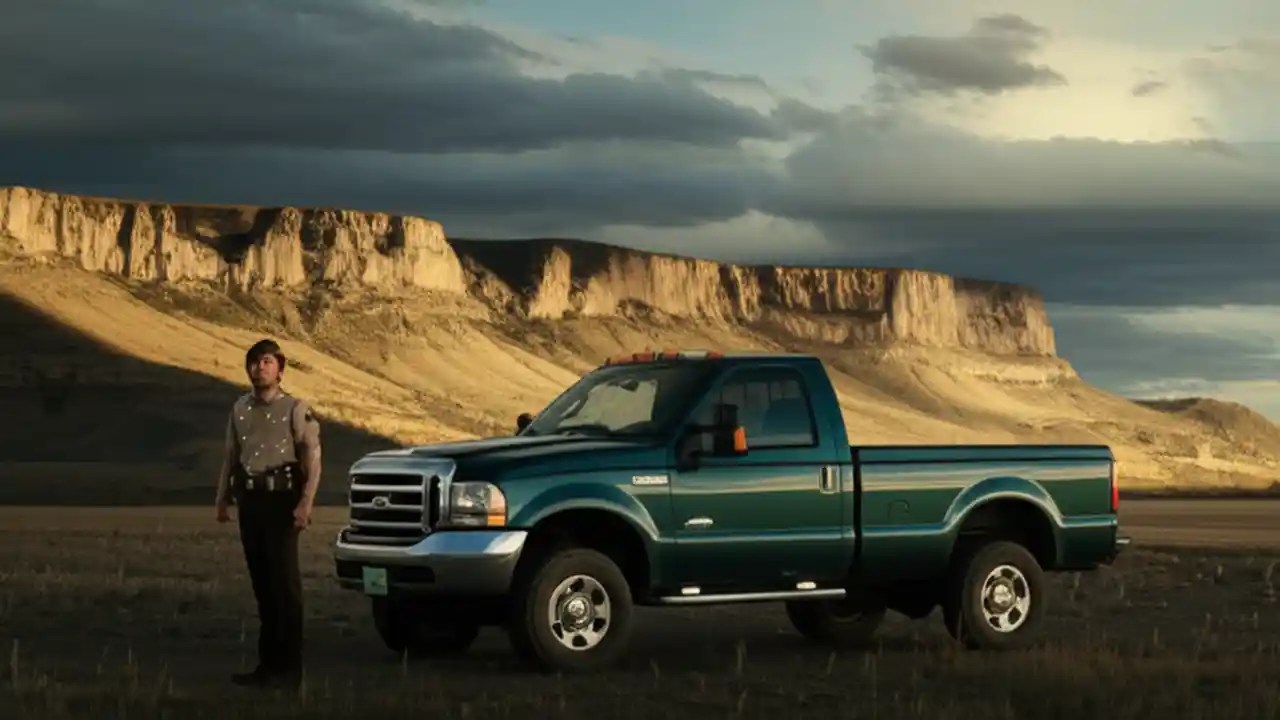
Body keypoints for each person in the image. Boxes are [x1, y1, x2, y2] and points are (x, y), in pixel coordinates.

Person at [214, 339, 322, 688]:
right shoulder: (239, 410)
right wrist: (222, 498)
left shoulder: (295, 408)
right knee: (262, 584)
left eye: (266, 362)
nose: (259, 368)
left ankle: (290, 668)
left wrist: (306, 503)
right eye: (254, 363)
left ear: (279, 368)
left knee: (284, 585)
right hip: (251, 500)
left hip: (283, 501)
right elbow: (231, 454)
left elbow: (313, 459)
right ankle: (268, 665)